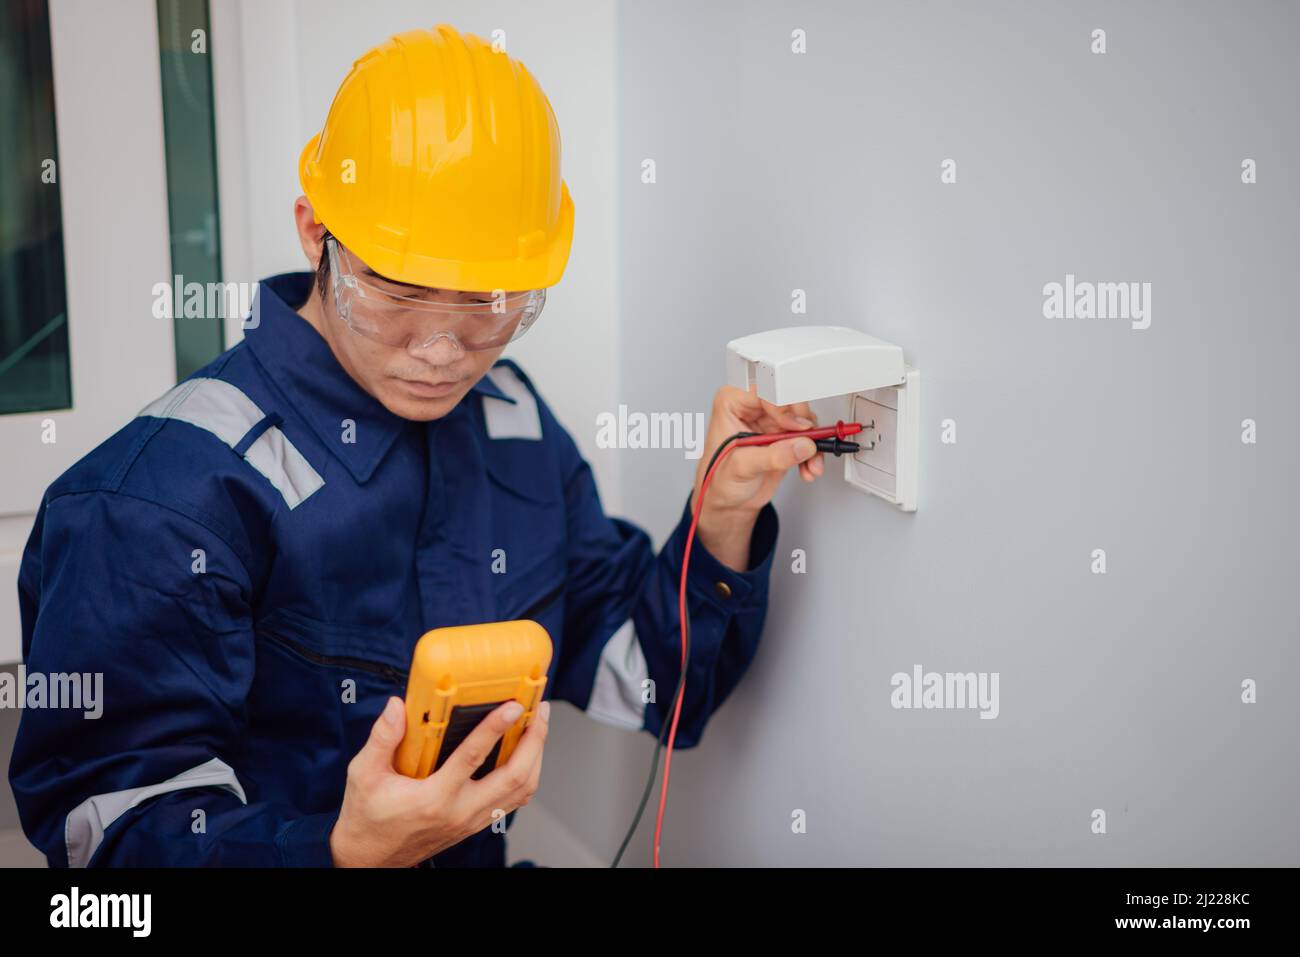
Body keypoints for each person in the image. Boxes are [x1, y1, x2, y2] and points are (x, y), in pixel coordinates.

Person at [9, 23, 826, 867]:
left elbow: (659, 681)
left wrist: (722, 514)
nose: (442, 350)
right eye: (397, 292)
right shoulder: (156, 502)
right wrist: (347, 852)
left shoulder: (514, 424)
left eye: (486, 305)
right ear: (315, 232)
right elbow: (107, 862)